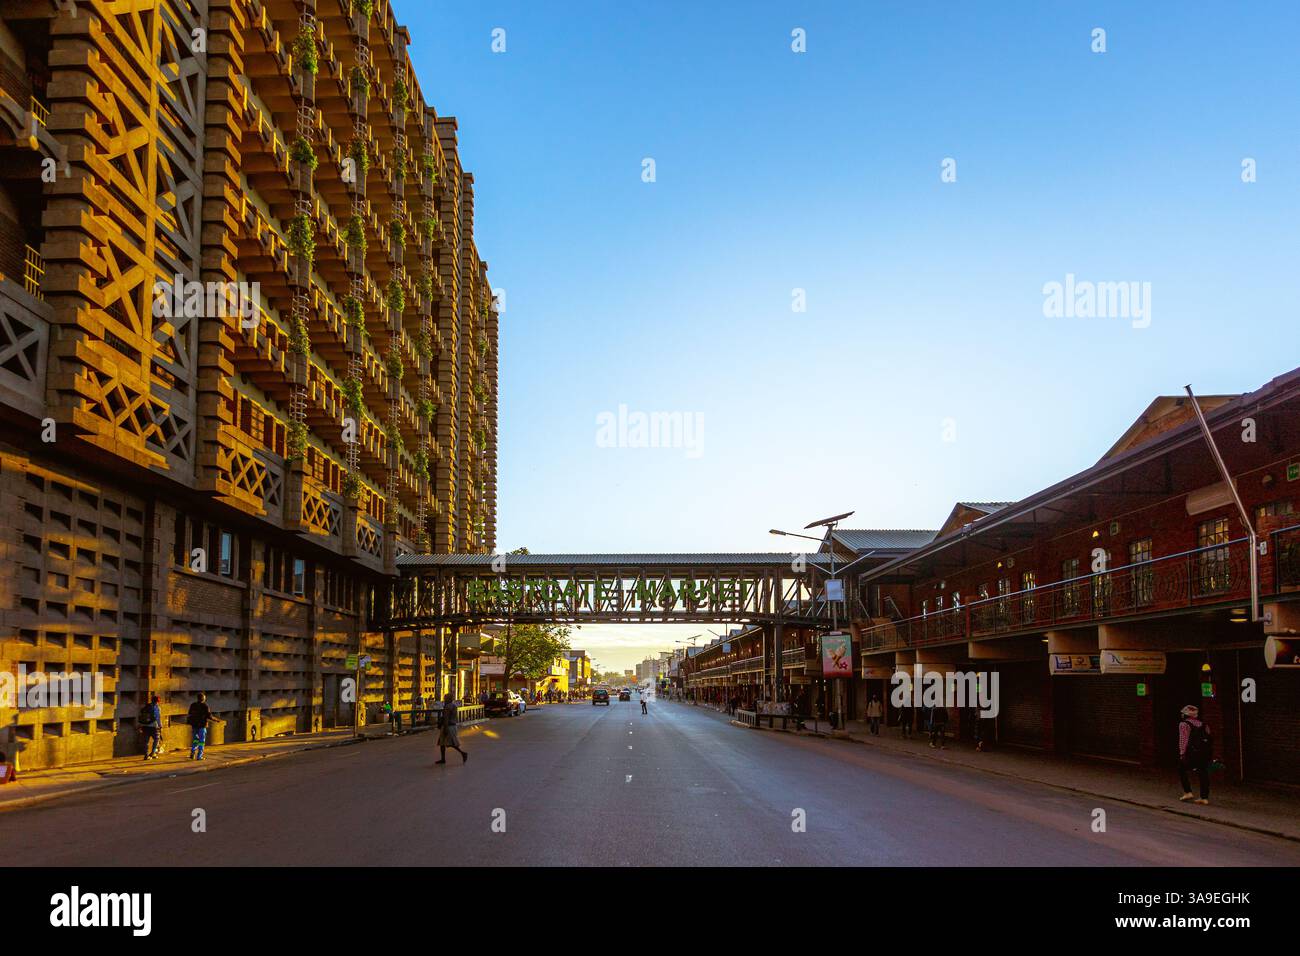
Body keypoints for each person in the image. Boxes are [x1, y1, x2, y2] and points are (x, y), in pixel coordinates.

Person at [1178, 704, 1212, 805]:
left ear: (1185, 715)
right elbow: (1209, 738)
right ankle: (1204, 797)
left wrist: (1182, 753)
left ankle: (1188, 792)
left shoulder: (1184, 724)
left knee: (1181, 769)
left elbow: (1183, 739)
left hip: (1191, 753)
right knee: (1203, 773)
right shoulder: (1204, 724)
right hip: (1203, 753)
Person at [436, 692, 468, 765]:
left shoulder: (447, 707)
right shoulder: (454, 706)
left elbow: (446, 718)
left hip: (448, 726)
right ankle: (443, 759)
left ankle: (463, 753)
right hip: (453, 726)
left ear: (448, 699)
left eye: (445, 698)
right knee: (442, 743)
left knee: (450, 743)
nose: (444, 699)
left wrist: (445, 728)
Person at [187, 692, 214, 760]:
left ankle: (192, 752)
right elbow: (209, 716)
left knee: (195, 740)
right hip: (202, 726)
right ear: (203, 698)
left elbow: (189, 714)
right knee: (201, 741)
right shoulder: (205, 706)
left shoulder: (193, 705)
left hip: (194, 726)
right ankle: (199, 756)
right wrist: (216, 720)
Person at [139, 692, 162, 760]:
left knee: (146, 741)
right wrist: (160, 726)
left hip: (145, 726)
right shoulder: (157, 708)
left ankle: (146, 755)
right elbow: (158, 718)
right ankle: (152, 753)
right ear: (157, 701)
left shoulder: (147, 706)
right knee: (157, 739)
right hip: (153, 726)